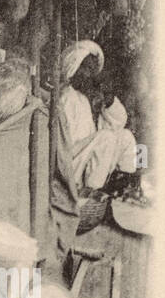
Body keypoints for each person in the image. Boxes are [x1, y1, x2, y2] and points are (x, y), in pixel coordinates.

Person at [50, 40, 138, 272]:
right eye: (85, 69)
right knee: (107, 138)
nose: (90, 75)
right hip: (71, 166)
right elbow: (66, 146)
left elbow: (120, 121)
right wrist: (99, 138)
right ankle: (92, 194)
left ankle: (126, 188)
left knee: (125, 137)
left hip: (90, 161)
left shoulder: (91, 97)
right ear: (74, 70)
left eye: (92, 70)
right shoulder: (67, 98)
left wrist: (106, 101)